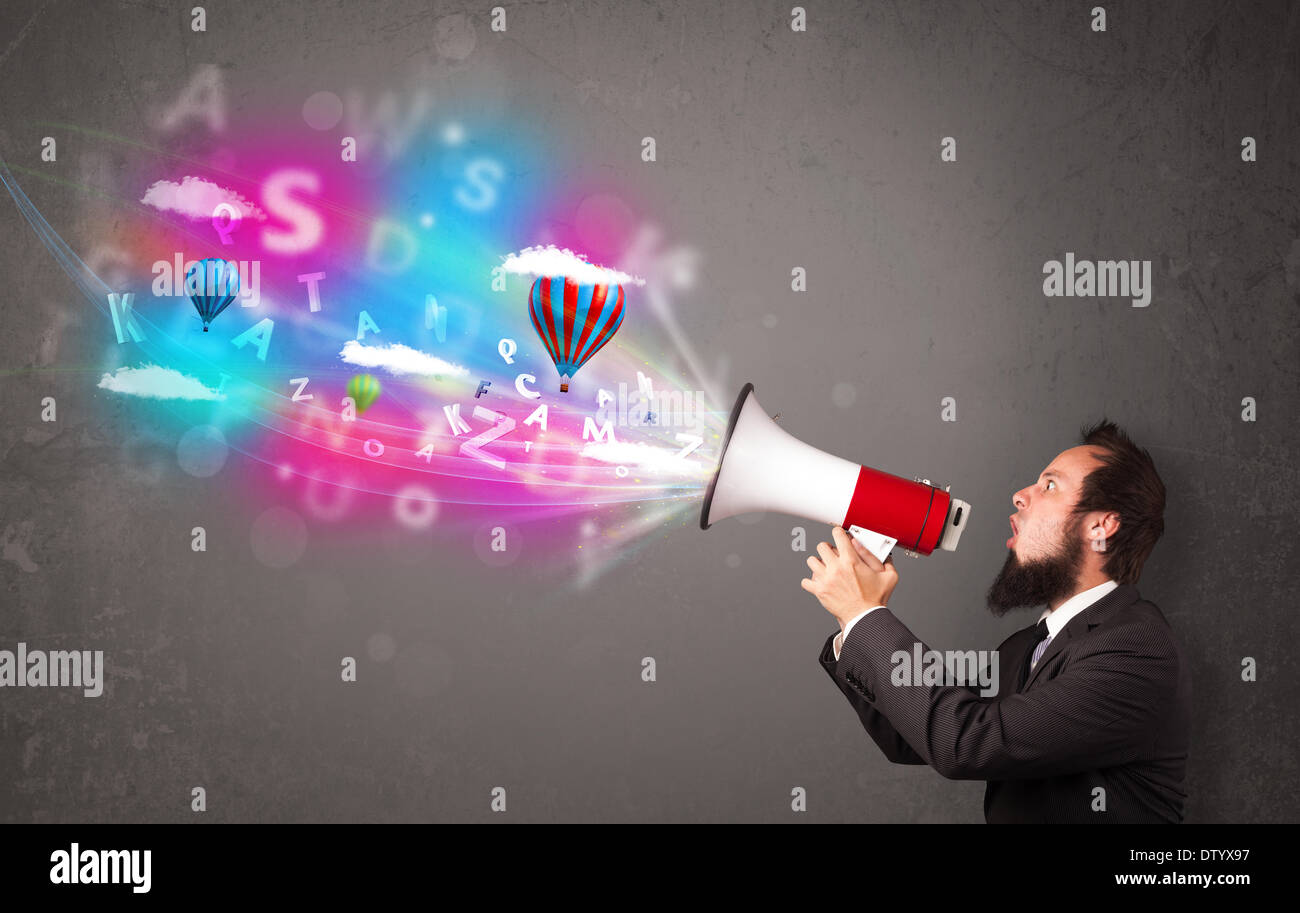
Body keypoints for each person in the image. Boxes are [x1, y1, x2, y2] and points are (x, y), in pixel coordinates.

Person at [803, 419, 1190, 822]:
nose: (1020, 495)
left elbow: (967, 742)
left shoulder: (1138, 650)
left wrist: (865, 614)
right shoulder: (1026, 647)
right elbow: (909, 736)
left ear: (1100, 526)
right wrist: (853, 625)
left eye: (1049, 485)